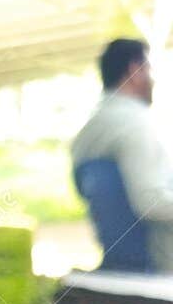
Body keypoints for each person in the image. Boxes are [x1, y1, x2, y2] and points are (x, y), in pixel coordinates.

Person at [72, 38, 173, 272]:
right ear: (135, 71)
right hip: (161, 265)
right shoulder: (133, 125)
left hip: (120, 258)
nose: (153, 79)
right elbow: (151, 203)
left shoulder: (91, 128)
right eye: (149, 69)